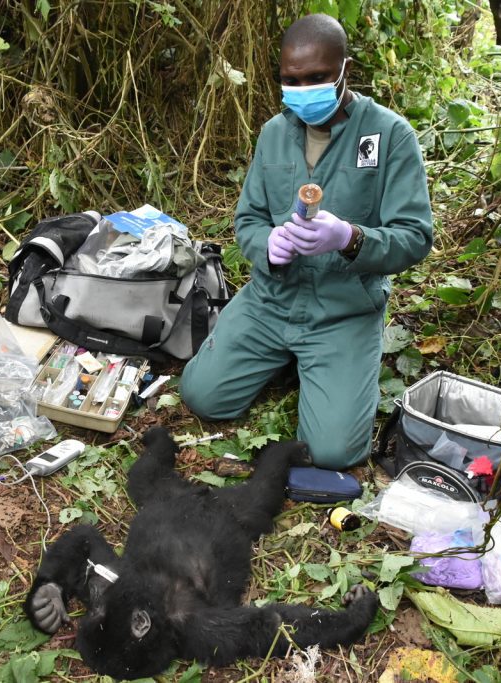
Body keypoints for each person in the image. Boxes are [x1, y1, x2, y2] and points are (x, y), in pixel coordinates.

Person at [181, 14, 433, 470]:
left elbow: (415, 237)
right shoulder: (274, 134)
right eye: (291, 80)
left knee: (333, 453)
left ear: (344, 69)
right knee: (201, 397)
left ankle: (324, 366)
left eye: (317, 77)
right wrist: (266, 244)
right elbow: (249, 218)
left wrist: (350, 238)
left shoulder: (391, 135)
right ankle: (283, 359)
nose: (304, 90)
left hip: (342, 311)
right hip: (270, 299)